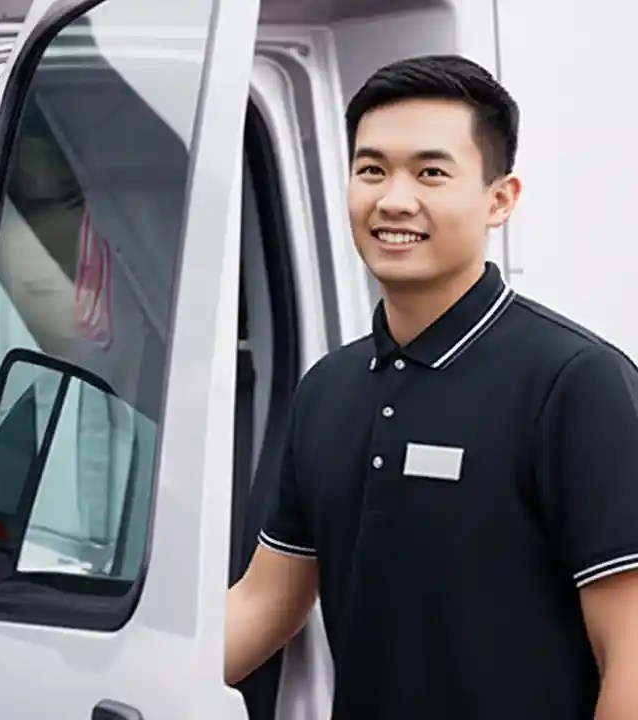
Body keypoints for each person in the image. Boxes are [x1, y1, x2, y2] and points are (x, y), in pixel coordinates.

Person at [224, 54, 638, 719]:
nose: (393, 199)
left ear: (499, 199)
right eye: (371, 169)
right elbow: (264, 603)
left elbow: (632, 651)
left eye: (431, 172)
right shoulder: (328, 389)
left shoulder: (574, 382)